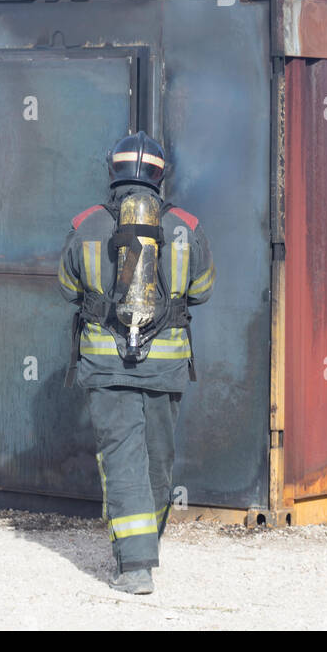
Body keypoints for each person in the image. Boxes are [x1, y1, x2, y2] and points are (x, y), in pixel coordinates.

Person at [57, 129, 215, 594]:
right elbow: (202, 291)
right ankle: (143, 549)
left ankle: (135, 565)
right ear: (160, 176)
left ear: (114, 171)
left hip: (106, 366)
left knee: (122, 457)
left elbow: (68, 289)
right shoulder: (187, 225)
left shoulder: (86, 225)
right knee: (158, 460)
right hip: (166, 367)